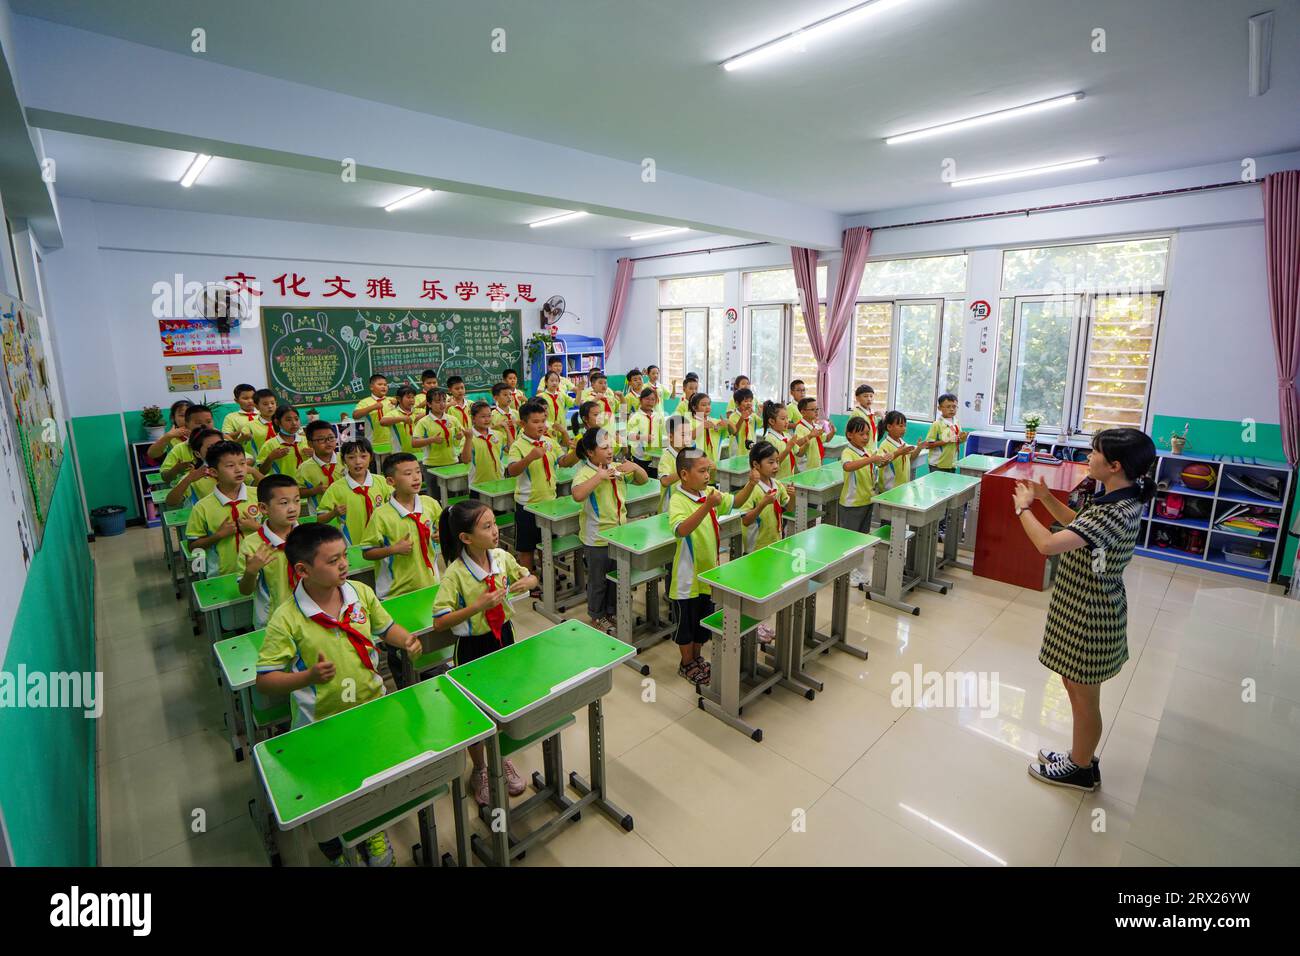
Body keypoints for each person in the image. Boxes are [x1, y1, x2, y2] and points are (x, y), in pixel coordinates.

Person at [255, 522, 421, 865]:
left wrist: (404, 638)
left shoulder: (359, 593)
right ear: (303, 569)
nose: (344, 564)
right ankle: (333, 848)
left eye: (344, 555)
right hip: (321, 721)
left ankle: (371, 829)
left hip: (369, 707)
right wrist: (306, 677)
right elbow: (265, 679)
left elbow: (384, 626)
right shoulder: (287, 618)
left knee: (368, 774)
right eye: (333, 560)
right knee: (329, 789)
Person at [1017, 428, 1156, 792]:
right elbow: (1078, 526)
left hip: (1091, 614)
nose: (1088, 457)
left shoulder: (1116, 510)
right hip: (1079, 604)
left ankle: (1081, 768)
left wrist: (1023, 508)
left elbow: (1048, 544)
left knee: (1083, 695)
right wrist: (1047, 498)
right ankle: (1081, 756)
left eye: (1095, 452)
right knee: (1073, 684)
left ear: (1115, 465)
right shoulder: (1112, 497)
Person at [430, 500, 538, 806]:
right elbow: (439, 622)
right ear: (465, 538)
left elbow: (530, 576)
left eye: (494, 523)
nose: (496, 531)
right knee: (478, 713)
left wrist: (524, 583)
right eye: (487, 526)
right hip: (474, 647)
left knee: (505, 700)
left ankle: (499, 756)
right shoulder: (455, 573)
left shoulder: (501, 557)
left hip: (504, 637)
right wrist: (477, 606)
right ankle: (480, 768)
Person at [667, 449, 757, 685]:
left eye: (709, 470)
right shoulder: (678, 499)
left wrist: (750, 483)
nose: (708, 475)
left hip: (709, 574)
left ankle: (697, 659)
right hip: (687, 578)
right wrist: (707, 506)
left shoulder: (708, 493)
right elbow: (681, 530)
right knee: (685, 625)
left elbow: (735, 502)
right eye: (702, 471)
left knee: (702, 622)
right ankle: (686, 663)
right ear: (685, 474)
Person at [570, 426, 648, 634]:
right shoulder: (585, 472)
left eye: (611, 445)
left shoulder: (616, 468)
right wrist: (599, 477)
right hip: (597, 538)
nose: (610, 450)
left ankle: (612, 611)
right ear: (590, 452)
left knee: (615, 577)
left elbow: (643, 480)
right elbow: (577, 495)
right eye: (604, 447)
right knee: (598, 581)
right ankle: (596, 615)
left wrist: (635, 467)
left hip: (619, 535)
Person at [506, 399, 579, 576]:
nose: (541, 425)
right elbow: (512, 470)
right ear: (523, 424)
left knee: (546, 541)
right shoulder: (518, 445)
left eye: (543, 421)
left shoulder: (549, 441)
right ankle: (528, 578)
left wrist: (577, 452)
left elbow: (564, 462)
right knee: (526, 546)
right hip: (527, 504)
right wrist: (529, 458)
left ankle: (547, 574)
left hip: (549, 501)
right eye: (535, 421)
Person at [737, 440, 787, 644]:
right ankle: (751, 626)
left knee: (766, 587)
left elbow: (786, 507)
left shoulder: (777, 484)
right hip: (755, 546)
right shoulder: (752, 489)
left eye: (776, 461)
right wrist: (762, 504)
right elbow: (746, 519)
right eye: (770, 462)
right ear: (756, 465)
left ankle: (760, 623)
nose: (776, 466)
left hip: (774, 543)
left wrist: (790, 497)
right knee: (753, 590)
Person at [236, 474, 302, 626]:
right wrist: (251, 571)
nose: (293, 508)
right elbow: (245, 590)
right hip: (271, 621)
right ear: (263, 508)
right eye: (284, 503)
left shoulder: (308, 536)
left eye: (297, 501)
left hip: (307, 615)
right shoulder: (252, 545)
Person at [316, 439, 390, 544]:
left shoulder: (382, 481)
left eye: (363, 456)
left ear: (371, 457)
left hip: (382, 540)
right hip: (351, 543)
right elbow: (320, 518)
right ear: (343, 460)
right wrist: (334, 513)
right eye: (351, 457)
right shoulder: (336, 488)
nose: (358, 462)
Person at [875, 411, 921, 493]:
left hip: (901, 488)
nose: (904, 429)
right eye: (900, 426)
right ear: (889, 427)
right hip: (889, 490)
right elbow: (881, 463)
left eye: (905, 426)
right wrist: (899, 453)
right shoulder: (885, 445)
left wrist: (919, 448)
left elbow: (911, 458)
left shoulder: (902, 442)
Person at [925, 392, 962, 473]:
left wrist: (963, 438)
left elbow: (957, 440)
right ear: (939, 408)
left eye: (954, 406)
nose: (952, 409)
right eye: (948, 406)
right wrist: (947, 440)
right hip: (937, 464)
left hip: (952, 463)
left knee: (949, 485)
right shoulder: (936, 424)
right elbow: (928, 445)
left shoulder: (957, 422)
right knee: (936, 485)